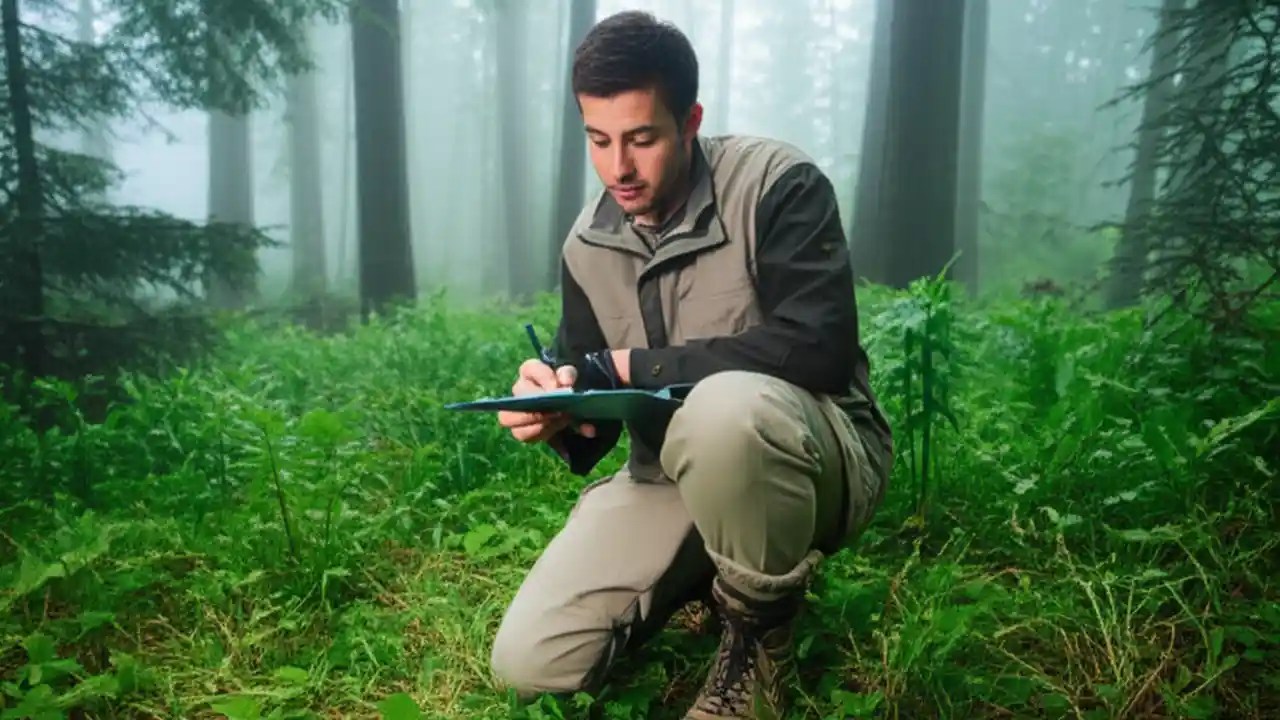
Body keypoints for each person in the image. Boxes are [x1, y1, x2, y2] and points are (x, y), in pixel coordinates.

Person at [490, 10, 893, 719]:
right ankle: (705, 566)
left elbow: (821, 347)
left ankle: (755, 647)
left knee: (724, 411)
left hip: (817, 452)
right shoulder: (588, 243)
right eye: (598, 139)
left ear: (690, 119)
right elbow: (597, 407)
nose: (619, 167)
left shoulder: (778, 183)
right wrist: (554, 404)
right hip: (664, 473)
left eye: (642, 138)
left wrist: (633, 367)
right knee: (530, 668)